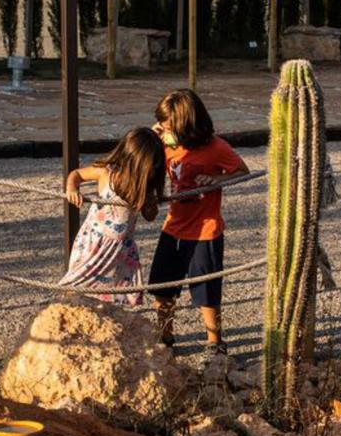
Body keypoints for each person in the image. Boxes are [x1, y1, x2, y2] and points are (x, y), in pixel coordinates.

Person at [148, 89, 250, 353]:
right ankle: (165, 337)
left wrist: (217, 179)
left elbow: (241, 171)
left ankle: (215, 343)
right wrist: (151, 139)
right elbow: (142, 161)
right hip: (173, 226)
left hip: (205, 230)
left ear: (187, 125)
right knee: (162, 286)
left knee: (207, 291)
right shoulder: (165, 144)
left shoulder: (216, 147)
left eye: (169, 127)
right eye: (162, 127)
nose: (165, 131)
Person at [60, 127, 165, 306]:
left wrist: (149, 199)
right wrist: (71, 189)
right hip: (95, 244)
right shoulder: (106, 173)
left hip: (121, 249)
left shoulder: (143, 185)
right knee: (77, 289)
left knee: (109, 296)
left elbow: (150, 216)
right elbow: (76, 174)